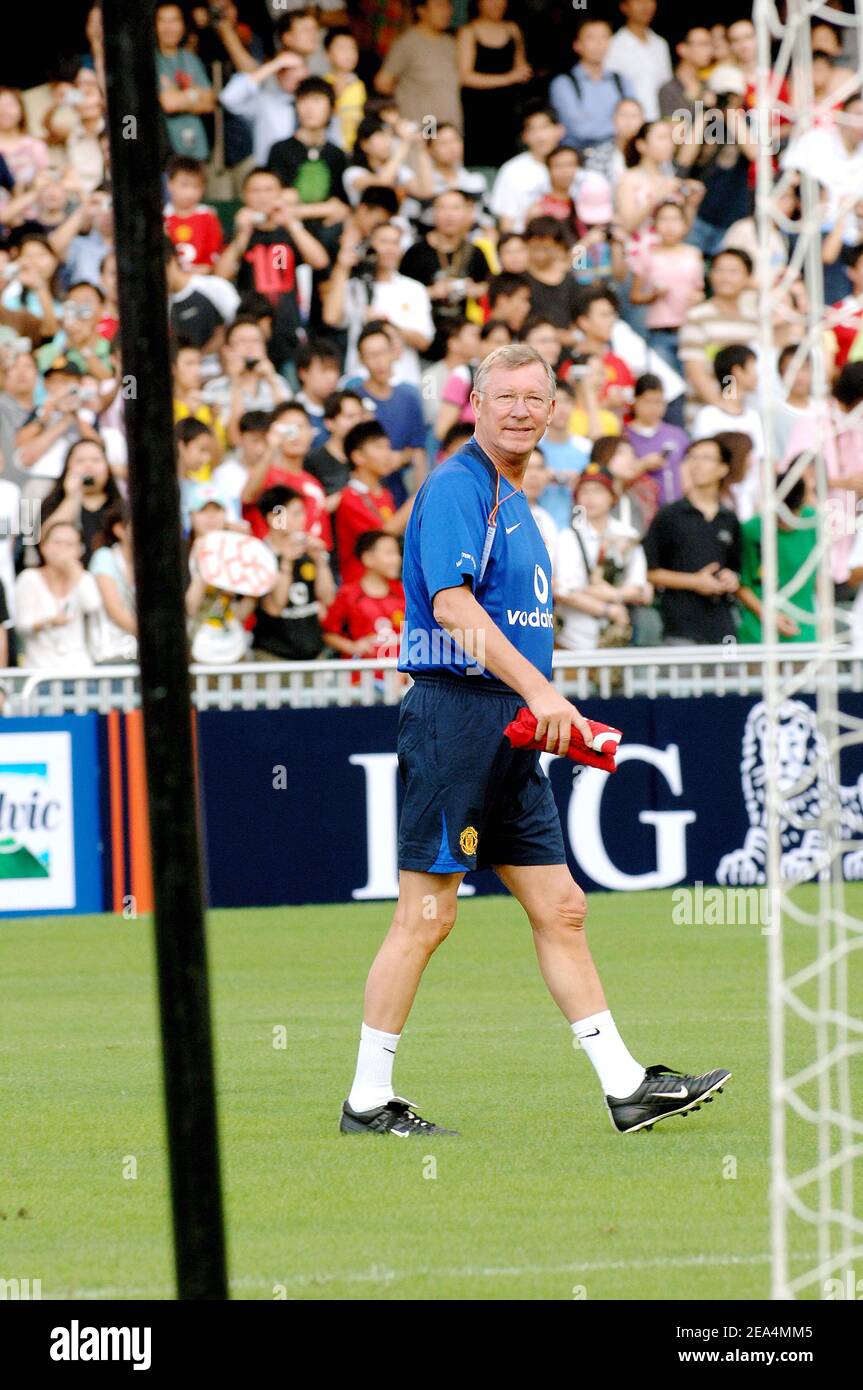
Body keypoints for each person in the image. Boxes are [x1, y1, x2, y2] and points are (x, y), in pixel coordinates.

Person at [341, 342, 731, 1138]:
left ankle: (625, 1086)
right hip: (455, 713)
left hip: (507, 722)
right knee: (426, 916)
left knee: (562, 908)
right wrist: (541, 690)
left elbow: (506, 617)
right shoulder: (458, 486)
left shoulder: (516, 501)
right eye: (504, 396)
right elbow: (451, 608)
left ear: (553, 410)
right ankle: (367, 1101)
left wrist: (544, 704)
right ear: (475, 402)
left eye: (534, 398)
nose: (520, 409)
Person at [643, 435, 741, 645]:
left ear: (723, 469)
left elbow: (736, 568)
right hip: (680, 625)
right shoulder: (669, 516)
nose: (696, 464)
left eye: (705, 458)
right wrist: (694, 581)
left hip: (722, 625)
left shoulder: (729, 519)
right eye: (691, 458)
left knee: (729, 677)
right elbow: (650, 572)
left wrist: (731, 578)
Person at [553, 462, 650, 652]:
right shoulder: (568, 537)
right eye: (584, 491)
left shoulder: (627, 534)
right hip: (573, 638)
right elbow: (564, 590)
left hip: (617, 637)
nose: (590, 498)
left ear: (612, 497)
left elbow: (639, 586)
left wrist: (614, 594)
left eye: (598, 491)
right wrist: (609, 609)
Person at [322, 220, 434, 386]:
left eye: (395, 243)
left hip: (402, 380)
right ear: (370, 246)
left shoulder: (414, 289)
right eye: (383, 242)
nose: (389, 249)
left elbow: (424, 341)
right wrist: (343, 267)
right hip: (360, 378)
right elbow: (331, 318)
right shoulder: (355, 286)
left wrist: (386, 323)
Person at [398, 189, 491, 359]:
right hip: (424, 342)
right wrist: (430, 293)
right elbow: (399, 294)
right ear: (434, 213)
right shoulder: (416, 252)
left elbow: (491, 285)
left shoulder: (475, 252)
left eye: (455, 208)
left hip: (464, 344)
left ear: (467, 213)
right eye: (443, 208)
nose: (449, 215)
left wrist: (476, 289)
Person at [344, 323, 428, 505]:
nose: (379, 362)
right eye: (372, 356)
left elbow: (418, 450)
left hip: (398, 490)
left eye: (383, 352)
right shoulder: (354, 398)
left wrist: (421, 500)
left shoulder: (409, 396)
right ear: (361, 359)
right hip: (363, 495)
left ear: (394, 352)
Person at [251, 484, 335, 661]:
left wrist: (320, 562)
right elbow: (274, 607)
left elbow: (328, 600)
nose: (303, 519)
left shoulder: (309, 552)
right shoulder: (258, 555)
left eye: (303, 513)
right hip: (273, 657)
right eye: (296, 513)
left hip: (313, 654)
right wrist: (286, 562)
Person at [736, 469, 817, 645]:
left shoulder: (813, 523)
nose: (786, 523)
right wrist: (770, 616)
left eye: (793, 515)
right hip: (758, 634)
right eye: (780, 517)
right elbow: (742, 583)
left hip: (804, 632)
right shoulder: (751, 530)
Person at [549, 18, 635, 179]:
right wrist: (620, 128)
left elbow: (635, 120)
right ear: (577, 45)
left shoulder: (622, 81)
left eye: (604, 37)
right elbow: (580, 130)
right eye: (591, 38)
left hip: (621, 160)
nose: (598, 44)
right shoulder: (564, 84)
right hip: (580, 165)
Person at [15, 519, 103, 671]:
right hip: (40, 671)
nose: (62, 550)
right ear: (43, 547)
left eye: (69, 545)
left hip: (80, 669)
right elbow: (22, 625)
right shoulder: (29, 578)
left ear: (79, 550)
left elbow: (93, 605)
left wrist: (75, 572)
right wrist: (48, 622)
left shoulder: (83, 578)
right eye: (57, 543)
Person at [629, 200, 704, 376]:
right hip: (660, 333)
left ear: (685, 225)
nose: (670, 226)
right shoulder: (647, 255)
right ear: (655, 225)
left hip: (691, 330)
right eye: (664, 219)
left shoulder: (694, 253)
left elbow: (699, 290)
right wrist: (653, 296)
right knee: (666, 383)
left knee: (692, 384)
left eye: (675, 220)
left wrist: (699, 298)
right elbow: (634, 296)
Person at [457, 0, 532, 169]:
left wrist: (520, 74)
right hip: (478, 111)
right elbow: (465, 77)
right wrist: (508, 78)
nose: (497, 3)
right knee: (480, 160)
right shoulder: (468, 32)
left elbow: (520, 69)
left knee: (511, 160)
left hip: (508, 109)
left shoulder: (512, 29)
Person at [335, 420, 412, 584]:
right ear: (358, 456)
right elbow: (383, 535)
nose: (387, 454)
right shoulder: (350, 498)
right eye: (379, 447)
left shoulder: (384, 493)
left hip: (385, 587)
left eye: (388, 447)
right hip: (360, 590)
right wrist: (420, 495)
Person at [678, 249, 758, 406]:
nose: (725, 277)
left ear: (748, 278)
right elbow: (695, 370)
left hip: (747, 412)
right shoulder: (697, 316)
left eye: (734, 271)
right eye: (719, 270)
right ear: (710, 275)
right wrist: (722, 407)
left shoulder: (753, 318)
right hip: (707, 412)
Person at [374, 0, 462, 131]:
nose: (447, 11)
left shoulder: (451, 43)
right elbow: (382, 83)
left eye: (448, 6)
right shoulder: (407, 42)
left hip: (451, 125)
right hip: (426, 124)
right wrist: (410, 98)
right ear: (422, 10)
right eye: (440, 6)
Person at [322, 528, 405, 663]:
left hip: (402, 676)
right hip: (362, 678)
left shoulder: (404, 591)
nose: (397, 559)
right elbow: (328, 633)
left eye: (397, 553)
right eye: (389, 553)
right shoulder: (348, 594)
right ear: (368, 558)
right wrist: (351, 646)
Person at [38, 436, 122, 567]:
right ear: (68, 466)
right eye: (80, 461)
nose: (88, 466)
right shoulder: (52, 503)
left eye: (96, 460)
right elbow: (42, 540)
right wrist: (71, 497)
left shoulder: (120, 507)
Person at [489, 104, 566, 235]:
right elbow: (507, 224)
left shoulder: (572, 165)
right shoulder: (512, 171)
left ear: (560, 130)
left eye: (545, 127)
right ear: (524, 136)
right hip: (526, 244)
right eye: (532, 129)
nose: (540, 136)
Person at [155, 2, 215, 160]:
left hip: (197, 147)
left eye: (174, 20)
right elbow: (169, 104)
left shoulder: (190, 58)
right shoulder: (151, 59)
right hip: (166, 150)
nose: (169, 27)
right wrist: (195, 93)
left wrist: (180, 96)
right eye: (163, 21)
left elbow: (209, 102)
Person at [622, 372, 688, 507]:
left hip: (675, 509)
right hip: (640, 510)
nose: (653, 408)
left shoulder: (677, 435)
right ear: (635, 401)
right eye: (647, 401)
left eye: (658, 402)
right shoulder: (624, 436)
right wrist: (643, 464)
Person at [88, 499, 138, 664]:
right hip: (111, 653)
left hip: (138, 652)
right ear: (119, 530)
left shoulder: (150, 562)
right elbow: (115, 612)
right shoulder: (105, 557)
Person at [607, 0, 673, 122]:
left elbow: (667, 86)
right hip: (629, 123)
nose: (645, 5)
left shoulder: (660, 44)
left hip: (660, 122)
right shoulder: (613, 46)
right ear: (624, 6)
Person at [163, 155, 224, 273]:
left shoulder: (208, 217)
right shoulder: (163, 218)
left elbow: (213, 255)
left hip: (202, 278)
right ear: (170, 184)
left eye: (196, 186)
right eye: (184, 185)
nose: (190, 192)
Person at [305, 389, 366, 504]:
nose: (358, 422)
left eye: (361, 415)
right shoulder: (313, 461)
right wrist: (351, 490)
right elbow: (313, 509)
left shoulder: (367, 458)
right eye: (350, 416)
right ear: (329, 423)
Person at [211, 409, 271, 521]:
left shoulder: (278, 473)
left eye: (266, 441)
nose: (261, 448)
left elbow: (281, 515)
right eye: (255, 441)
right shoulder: (224, 473)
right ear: (240, 438)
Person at [323, 27, 366, 153]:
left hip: (355, 148)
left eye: (352, 48)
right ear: (328, 54)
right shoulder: (324, 84)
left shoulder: (358, 84)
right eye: (342, 49)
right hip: (333, 146)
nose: (349, 54)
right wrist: (335, 93)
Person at [658, 26, 715, 119]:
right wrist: (705, 108)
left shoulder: (709, 85)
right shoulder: (669, 90)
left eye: (710, 44)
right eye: (702, 44)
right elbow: (675, 131)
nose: (709, 50)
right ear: (682, 49)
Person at [293, 338, 342, 446]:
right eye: (324, 371)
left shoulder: (343, 409)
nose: (332, 378)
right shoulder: (294, 413)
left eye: (335, 370)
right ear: (303, 373)